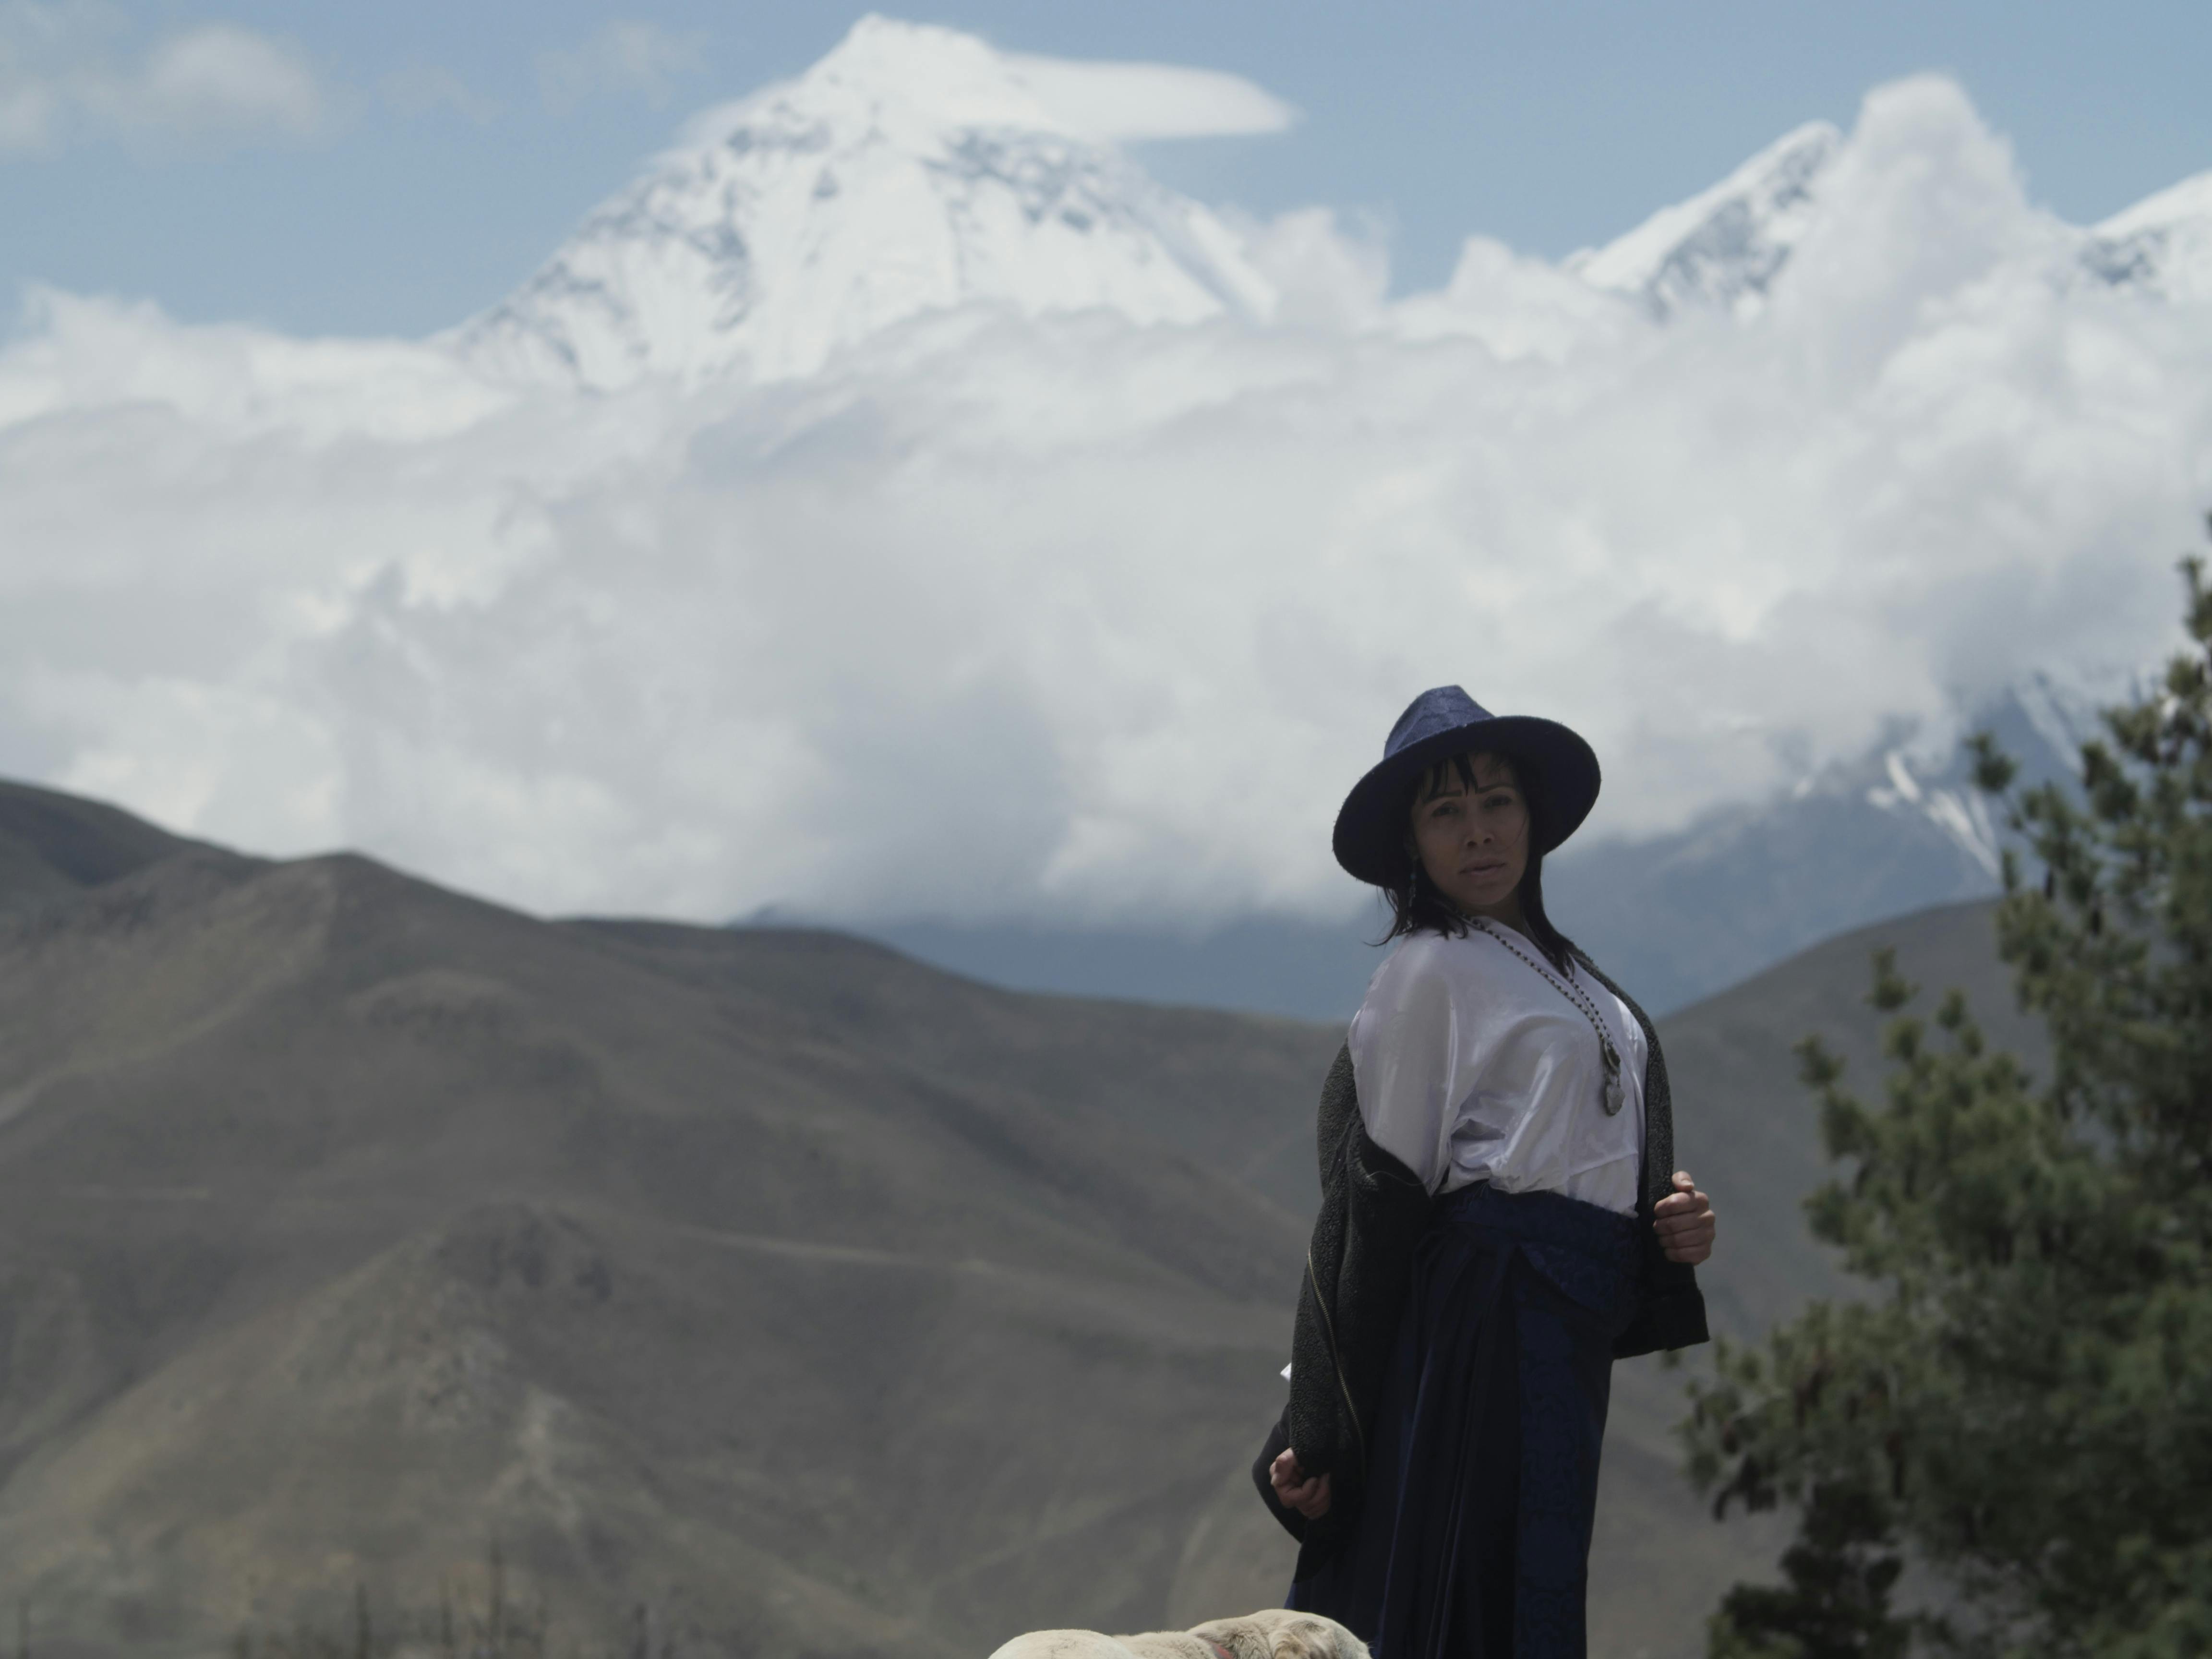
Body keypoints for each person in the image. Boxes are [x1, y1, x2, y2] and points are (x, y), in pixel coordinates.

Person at [1251, 685, 1717, 1659]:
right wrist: (1317, 1416)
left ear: (1532, 817)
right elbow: (1378, 1205)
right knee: (1453, 1587)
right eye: (1445, 812)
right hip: (1477, 1325)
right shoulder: (1429, 971)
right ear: (1412, 844)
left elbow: (1590, 1160)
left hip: (1560, 1335)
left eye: (1496, 802)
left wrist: (1670, 1230)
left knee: (1530, 1593)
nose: (1477, 833)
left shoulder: (1578, 978)